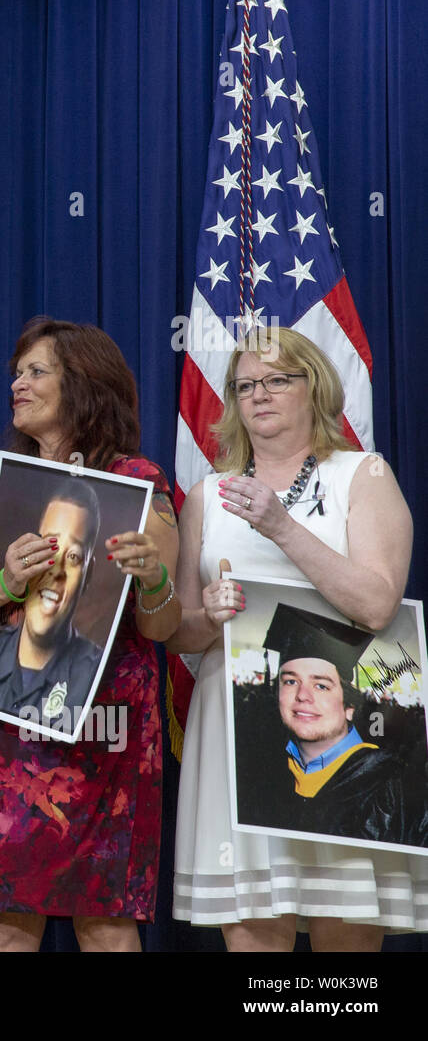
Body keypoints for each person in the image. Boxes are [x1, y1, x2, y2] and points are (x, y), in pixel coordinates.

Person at [0, 317, 181, 952]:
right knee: (5, 931)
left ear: (85, 384)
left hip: (106, 740)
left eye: (37, 372)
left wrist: (152, 581)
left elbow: (165, 624)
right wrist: (4, 589)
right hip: (4, 739)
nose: (18, 383)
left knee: (108, 929)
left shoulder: (140, 482)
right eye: (17, 372)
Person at [168, 326, 423, 951]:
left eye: (277, 379)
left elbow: (376, 601)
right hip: (237, 735)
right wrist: (206, 612)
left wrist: (282, 527)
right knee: (256, 939)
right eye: (245, 384)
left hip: (344, 747)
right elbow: (178, 634)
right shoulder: (205, 496)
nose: (259, 394)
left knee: (344, 951)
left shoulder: (361, 475)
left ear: (316, 387)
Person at [237, 604, 417, 846]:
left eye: (321, 685)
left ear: (350, 707)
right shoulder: (262, 774)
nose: (302, 695)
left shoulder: (391, 783)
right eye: (290, 681)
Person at [0, 481, 103, 720]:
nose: (56, 571)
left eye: (73, 556)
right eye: (48, 547)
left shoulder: (100, 677)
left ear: (87, 575)